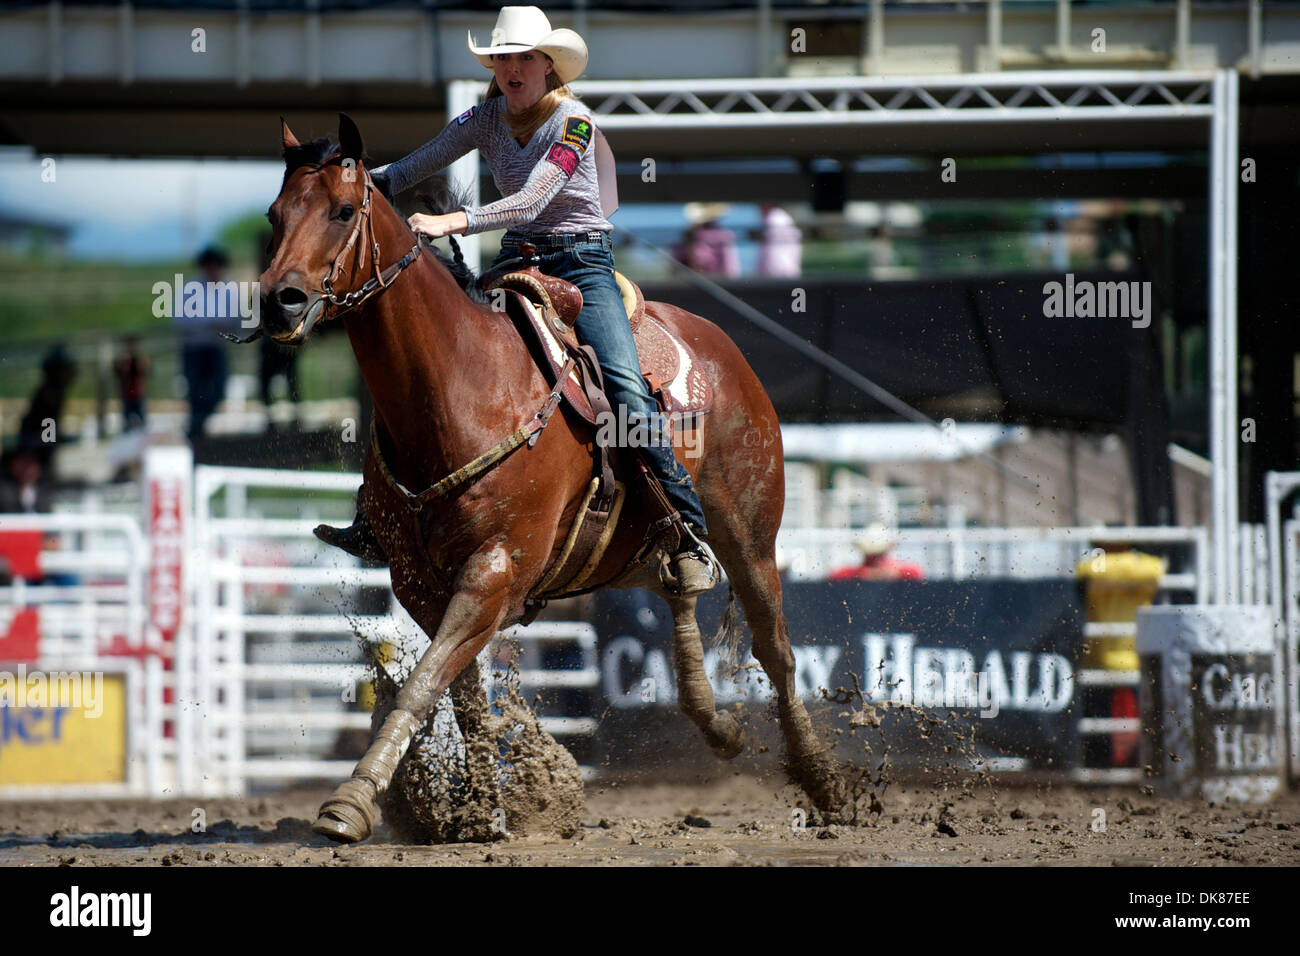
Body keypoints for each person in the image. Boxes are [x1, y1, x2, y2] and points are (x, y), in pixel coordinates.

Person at [314, 5, 715, 594]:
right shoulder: (483, 117)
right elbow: (412, 166)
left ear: (548, 65)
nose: (511, 67)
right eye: (502, 58)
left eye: (523, 56)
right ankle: (380, 515)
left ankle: (686, 528)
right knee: (439, 362)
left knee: (627, 386)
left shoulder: (575, 123)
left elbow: (532, 200)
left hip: (583, 264)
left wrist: (452, 220)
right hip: (519, 259)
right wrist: (346, 185)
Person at [177, 246, 232, 439]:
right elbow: (180, 320)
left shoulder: (228, 289)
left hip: (216, 348)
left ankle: (200, 424)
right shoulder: (191, 289)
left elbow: (236, 320)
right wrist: (209, 324)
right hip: (195, 348)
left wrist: (220, 325)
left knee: (218, 388)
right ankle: (196, 429)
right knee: (195, 391)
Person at [829, 524, 924, 582]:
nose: (875, 558)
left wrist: (895, 574)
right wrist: (863, 574)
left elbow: (916, 572)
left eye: (878, 554)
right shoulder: (853, 573)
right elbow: (835, 575)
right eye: (871, 554)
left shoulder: (896, 569)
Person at [113, 335, 150, 430]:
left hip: (139, 394)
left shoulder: (141, 360)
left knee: (142, 424)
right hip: (126, 395)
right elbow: (118, 373)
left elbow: (146, 373)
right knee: (127, 424)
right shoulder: (122, 361)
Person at [757, 203, 802, 277]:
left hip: (778, 272)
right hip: (789, 270)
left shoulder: (773, 219)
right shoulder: (782, 217)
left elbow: (771, 254)